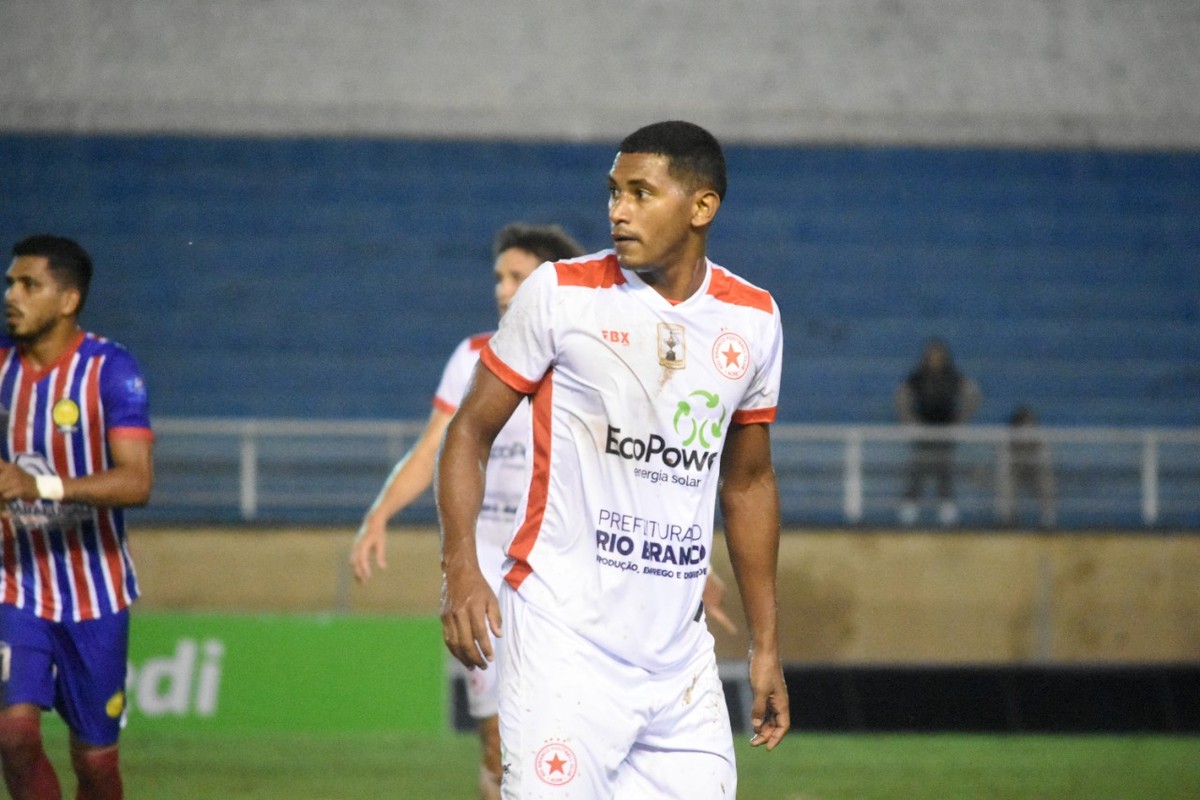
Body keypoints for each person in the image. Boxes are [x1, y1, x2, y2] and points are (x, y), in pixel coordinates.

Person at [437, 120, 790, 798]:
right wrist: (461, 568)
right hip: (561, 646)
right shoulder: (561, 294)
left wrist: (765, 643)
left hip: (679, 663)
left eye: (640, 192)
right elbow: (468, 434)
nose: (617, 210)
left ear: (701, 206)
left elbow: (747, 484)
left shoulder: (753, 320)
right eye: (613, 192)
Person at [350, 222, 586, 800]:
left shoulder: (584, 357)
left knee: (568, 740)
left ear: (551, 285)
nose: (503, 289)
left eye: (517, 277)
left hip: (562, 570)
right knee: (499, 743)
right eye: (499, 277)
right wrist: (380, 512)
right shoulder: (473, 357)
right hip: (484, 574)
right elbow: (434, 446)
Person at [0, 235, 154, 800]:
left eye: (28, 285)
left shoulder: (110, 370)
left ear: (68, 301)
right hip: (16, 585)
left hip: (97, 593)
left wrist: (35, 485)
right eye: (10, 282)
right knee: (12, 734)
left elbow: (137, 480)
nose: (11, 295)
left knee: (96, 766)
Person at [894, 338, 981, 527]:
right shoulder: (917, 377)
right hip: (924, 430)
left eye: (938, 355)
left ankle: (946, 505)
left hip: (945, 429)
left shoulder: (953, 377)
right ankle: (910, 505)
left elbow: (973, 394)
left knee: (944, 469)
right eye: (931, 355)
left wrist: (960, 421)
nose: (935, 359)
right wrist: (911, 423)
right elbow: (901, 397)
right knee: (919, 468)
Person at [996, 405, 1056, 528]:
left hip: (1034, 472)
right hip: (1015, 472)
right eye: (1023, 425)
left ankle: (1048, 520)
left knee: (1046, 482)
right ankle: (1007, 520)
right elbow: (1004, 465)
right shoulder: (1008, 439)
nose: (1026, 430)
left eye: (1029, 424)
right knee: (1006, 482)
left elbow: (1045, 463)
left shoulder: (1040, 438)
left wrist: (1036, 469)